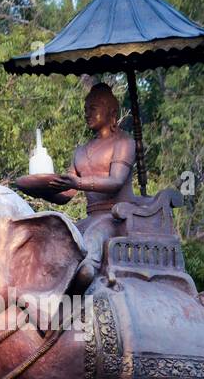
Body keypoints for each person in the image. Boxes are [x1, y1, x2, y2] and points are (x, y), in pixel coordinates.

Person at [16, 82, 135, 271]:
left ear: (111, 111)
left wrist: (78, 182)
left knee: (88, 254)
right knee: (54, 243)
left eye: (93, 108)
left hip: (118, 217)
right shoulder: (81, 151)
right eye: (85, 109)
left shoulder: (124, 142)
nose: (87, 113)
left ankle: (84, 279)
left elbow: (116, 181)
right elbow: (66, 194)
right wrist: (41, 191)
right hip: (91, 219)